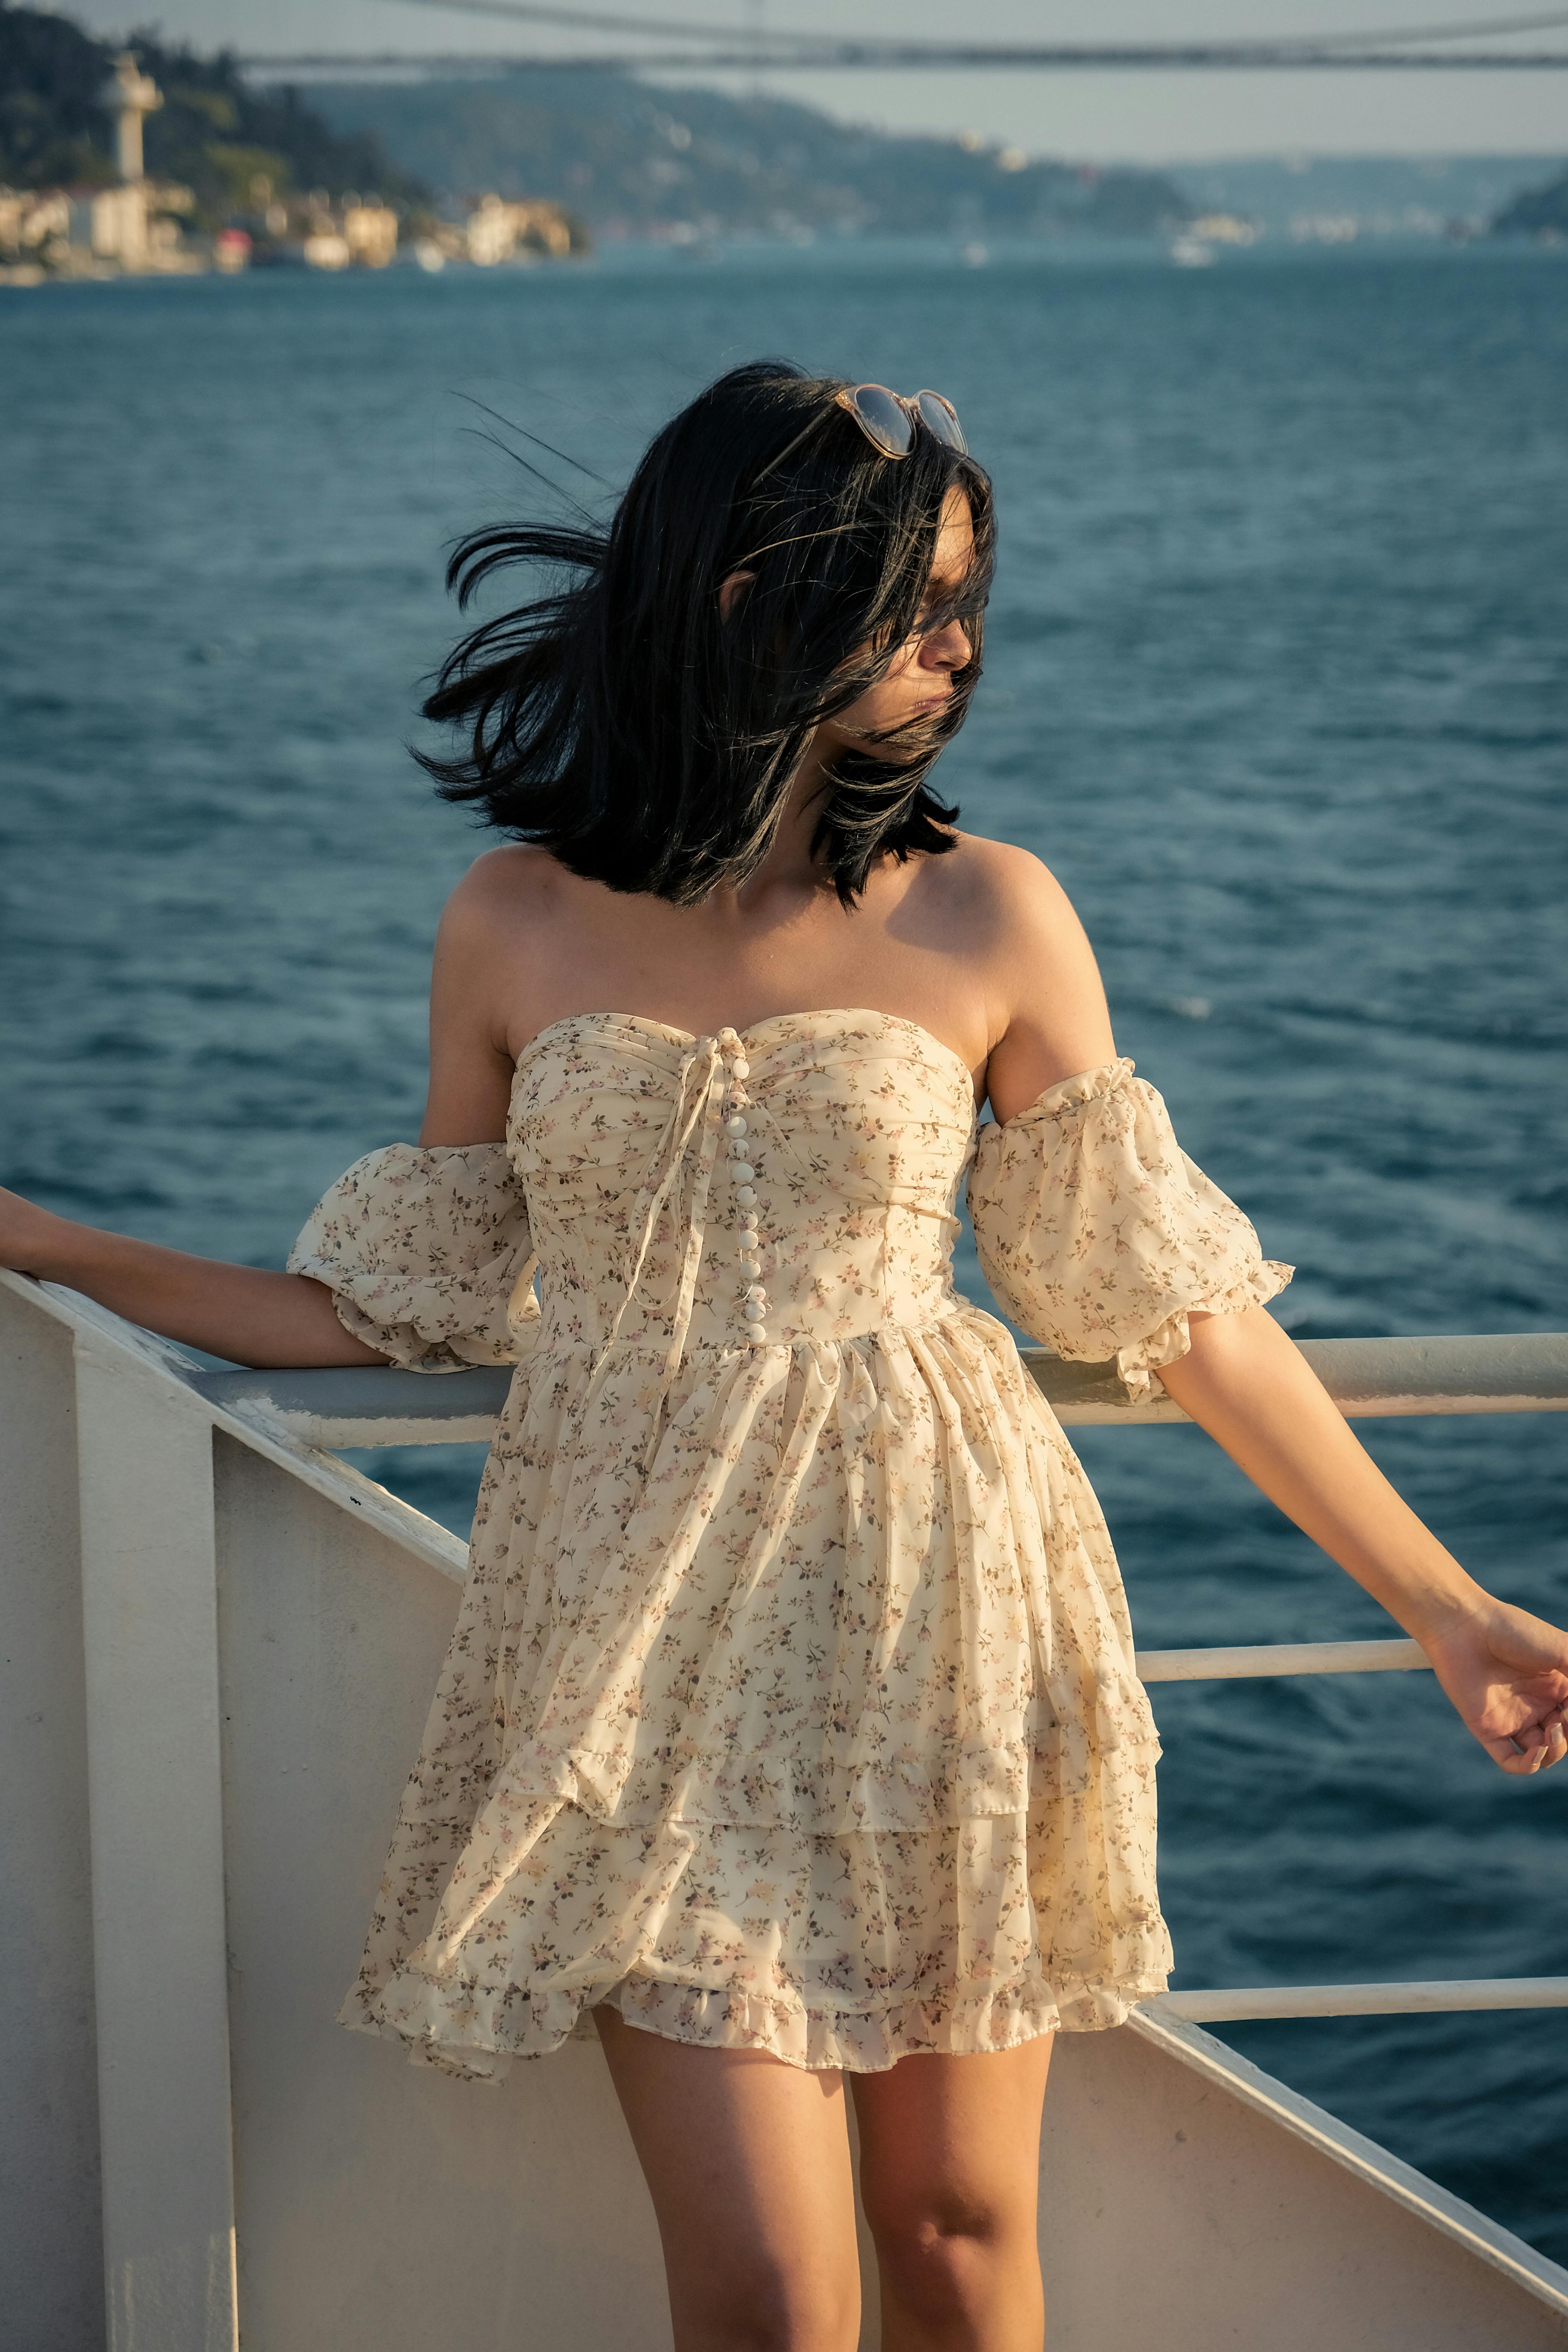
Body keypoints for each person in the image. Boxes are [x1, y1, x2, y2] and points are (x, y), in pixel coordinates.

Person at [3, 360, 1564, 2352]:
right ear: (752, 598)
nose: (962, 650)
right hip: (635, 1640)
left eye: (968, 604)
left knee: (958, 2238)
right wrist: (40, 1240)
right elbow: (399, 1311)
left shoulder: (990, 912)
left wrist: (1445, 1608)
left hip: (938, 1603)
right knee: (762, 2295)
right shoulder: (513, 918)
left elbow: (1170, 1305)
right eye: (920, 606)